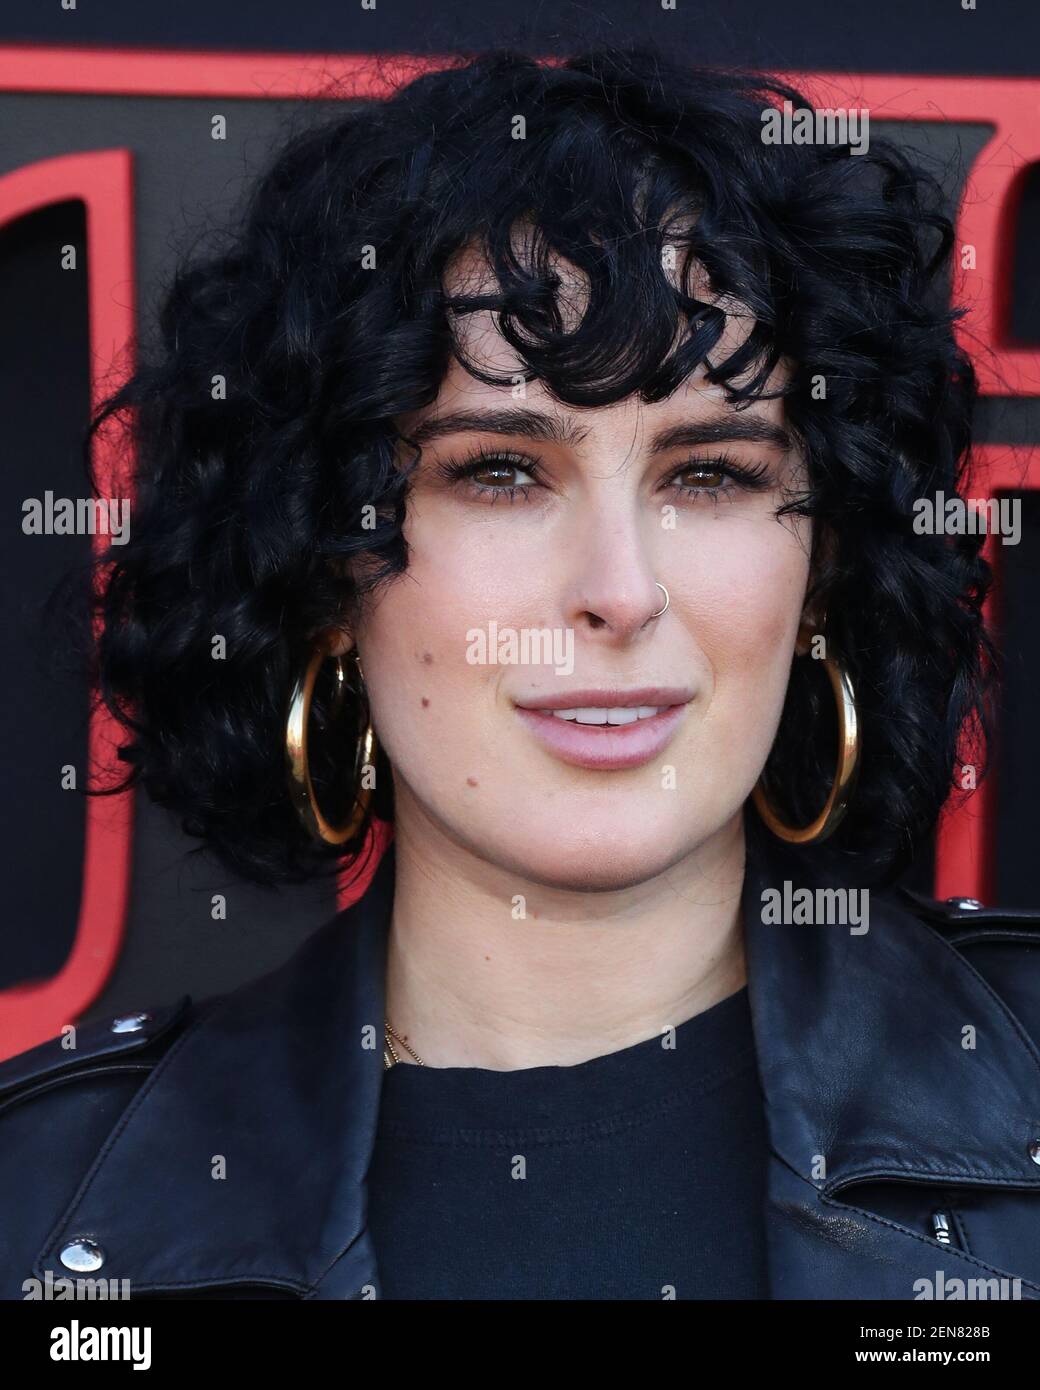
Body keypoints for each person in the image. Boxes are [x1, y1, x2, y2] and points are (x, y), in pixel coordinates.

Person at [3, 44, 1040, 1302]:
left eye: (707, 473)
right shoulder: (48, 1207)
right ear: (326, 570)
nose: (619, 588)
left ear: (821, 571)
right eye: (499, 470)